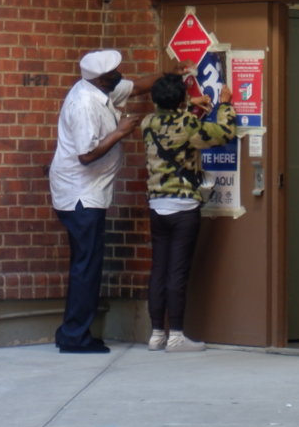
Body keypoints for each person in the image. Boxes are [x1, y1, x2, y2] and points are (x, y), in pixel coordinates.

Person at [48, 49, 157, 353]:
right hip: (81, 195)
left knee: (85, 264)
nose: (119, 74)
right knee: (87, 267)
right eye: (114, 71)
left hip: (87, 192)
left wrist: (174, 72)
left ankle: (71, 332)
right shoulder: (84, 103)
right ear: (100, 78)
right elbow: (86, 155)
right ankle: (75, 337)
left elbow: (138, 87)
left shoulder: (98, 88)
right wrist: (121, 132)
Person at [140, 72, 237, 352]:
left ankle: (157, 333)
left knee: (158, 270)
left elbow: (173, 126)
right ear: (181, 98)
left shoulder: (148, 123)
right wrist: (225, 105)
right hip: (183, 207)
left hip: (157, 206)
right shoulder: (187, 123)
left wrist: (190, 105)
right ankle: (177, 336)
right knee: (178, 272)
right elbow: (223, 133)